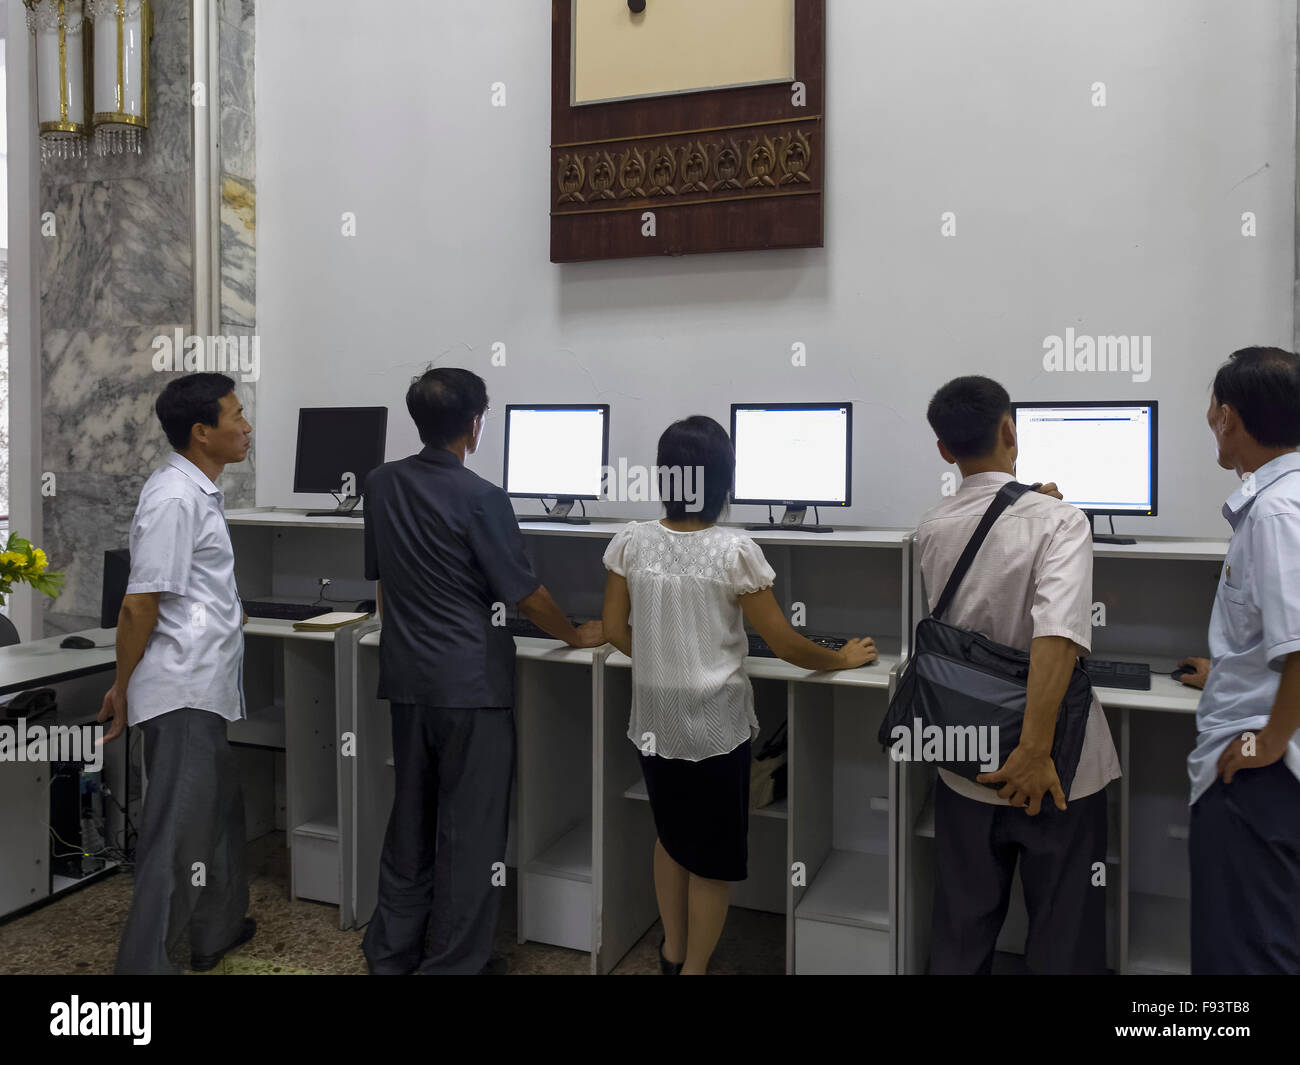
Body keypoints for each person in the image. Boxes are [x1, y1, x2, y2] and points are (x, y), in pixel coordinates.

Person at [600, 415, 876, 975]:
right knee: (714, 858)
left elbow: (612, 628)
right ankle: (698, 970)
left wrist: (662, 659)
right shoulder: (735, 550)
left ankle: (673, 955)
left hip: (653, 719)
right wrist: (841, 659)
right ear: (724, 480)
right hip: (712, 728)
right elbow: (784, 644)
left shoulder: (630, 541)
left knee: (671, 835)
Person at [361, 367, 604, 975]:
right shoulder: (483, 497)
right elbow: (525, 594)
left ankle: (390, 953)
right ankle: (451, 965)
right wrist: (576, 634)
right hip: (470, 687)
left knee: (410, 822)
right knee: (470, 836)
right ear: (475, 425)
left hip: (408, 680)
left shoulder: (381, 483)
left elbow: (385, 579)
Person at [918, 376, 1120, 974]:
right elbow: (1056, 639)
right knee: (1064, 930)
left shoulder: (932, 526)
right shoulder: (1060, 521)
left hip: (966, 759)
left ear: (944, 449)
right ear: (1011, 430)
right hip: (1055, 765)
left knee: (961, 925)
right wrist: (1034, 751)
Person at [101, 372, 256, 974]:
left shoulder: (198, 492)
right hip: (182, 690)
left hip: (205, 686)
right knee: (175, 841)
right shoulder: (173, 499)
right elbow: (141, 603)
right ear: (201, 432)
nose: (246, 427)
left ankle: (214, 931)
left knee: (216, 814)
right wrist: (122, 683)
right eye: (235, 417)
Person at [1173, 347, 1300, 974]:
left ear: (1228, 416)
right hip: (1269, 749)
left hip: (1261, 773)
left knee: (1244, 951)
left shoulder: (1276, 512)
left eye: (1211, 409)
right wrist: (1225, 669)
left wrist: (1269, 739)